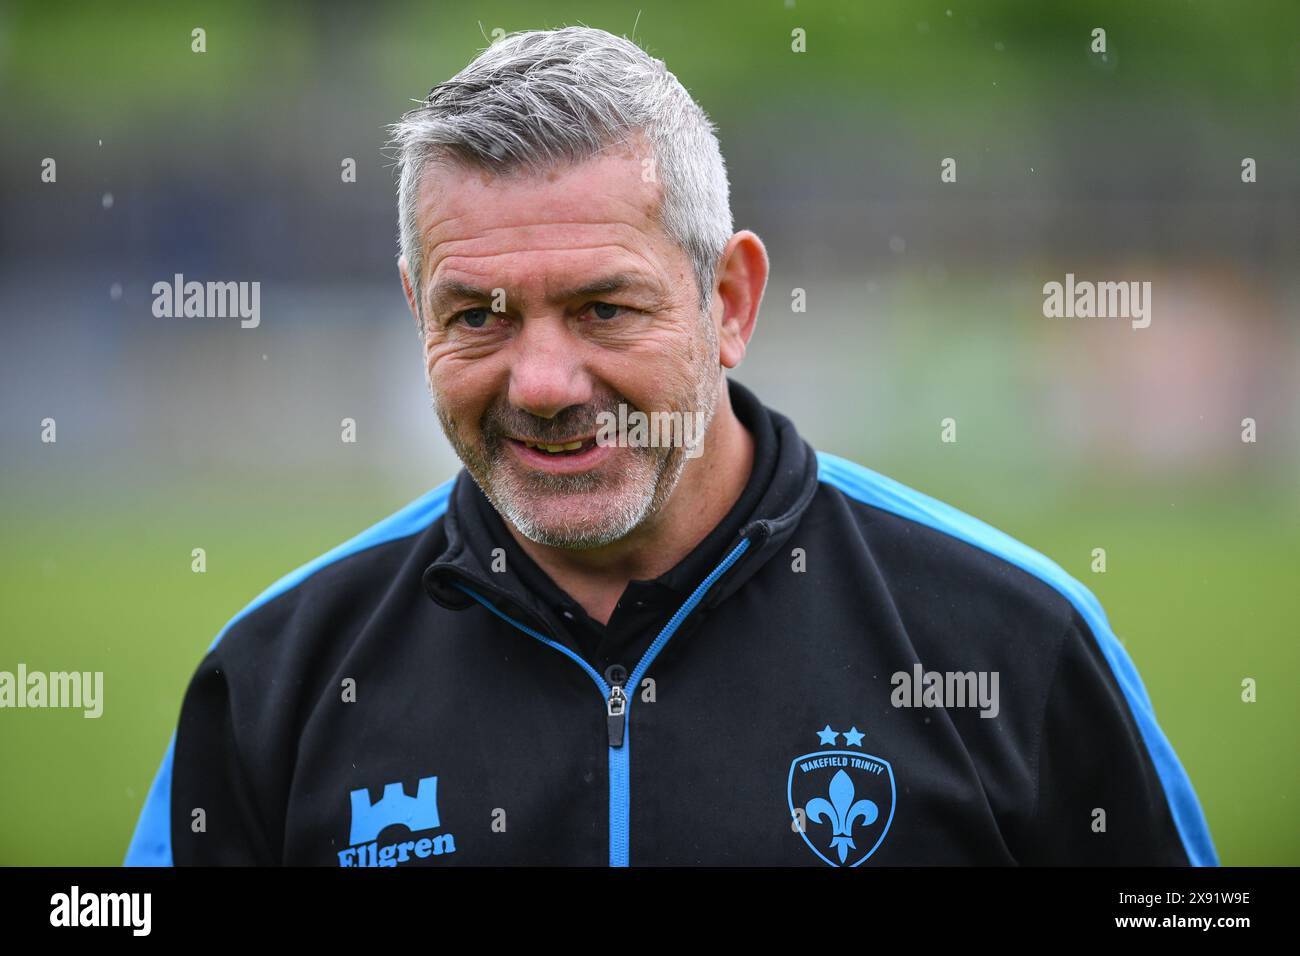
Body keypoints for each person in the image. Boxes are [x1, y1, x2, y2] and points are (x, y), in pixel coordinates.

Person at [125, 26, 1216, 867]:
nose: (542, 383)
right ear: (418, 311)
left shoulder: (1016, 638)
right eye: (477, 317)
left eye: (604, 307)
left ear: (728, 300)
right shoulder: (276, 678)